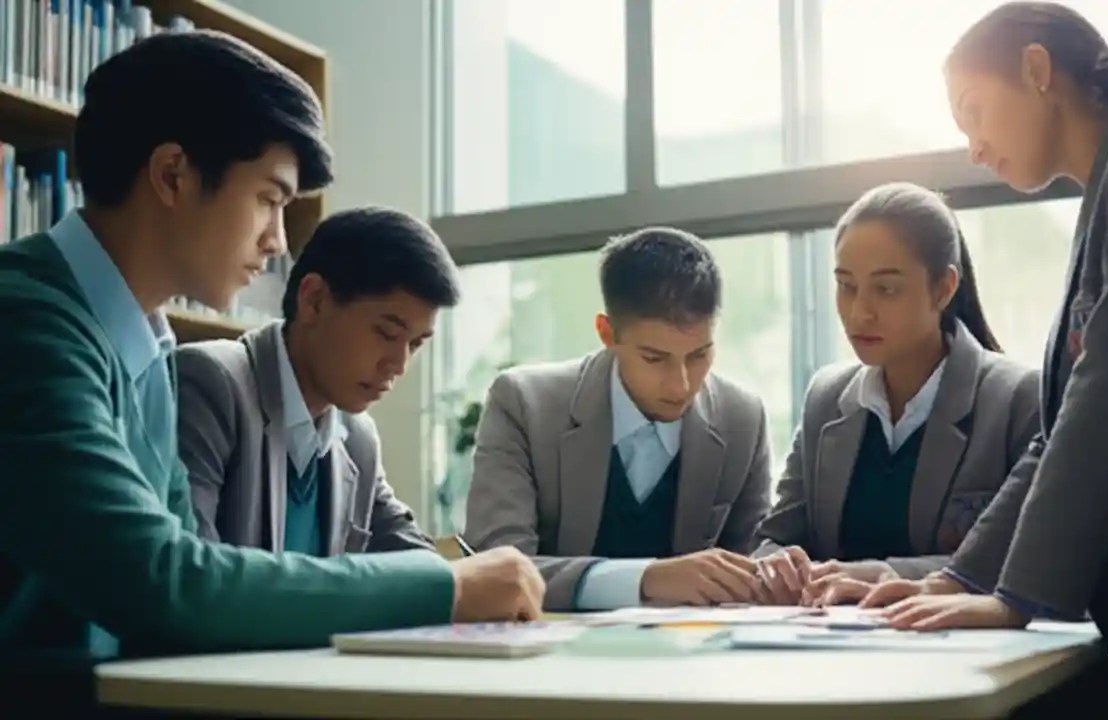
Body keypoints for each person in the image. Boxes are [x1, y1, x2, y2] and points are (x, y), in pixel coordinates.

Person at [0, 30, 541, 714]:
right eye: (269, 199)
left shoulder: (148, 346)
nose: (278, 241)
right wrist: (447, 589)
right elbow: (165, 583)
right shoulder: (26, 320)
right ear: (173, 175)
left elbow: (183, 579)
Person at [847, 2, 1108, 715]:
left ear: (1036, 69)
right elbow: (1061, 430)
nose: (975, 149)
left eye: (975, 113)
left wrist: (1018, 597)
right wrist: (961, 579)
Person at [752, 183, 1040, 606]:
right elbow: (773, 540)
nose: (859, 312)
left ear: (943, 288)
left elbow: (1025, 559)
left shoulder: (1017, 399)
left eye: (885, 289)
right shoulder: (826, 399)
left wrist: (883, 575)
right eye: (846, 286)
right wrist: (776, 565)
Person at [464, 227, 774, 611]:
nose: (681, 385)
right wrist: (646, 579)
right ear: (606, 333)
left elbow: (755, 564)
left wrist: (777, 571)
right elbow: (497, 571)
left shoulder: (742, 419)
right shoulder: (524, 405)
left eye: (699, 355)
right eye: (654, 358)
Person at [177, 207, 453, 557]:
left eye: (415, 344)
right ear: (314, 301)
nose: (398, 365)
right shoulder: (210, 384)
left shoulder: (356, 438)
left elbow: (412, 554)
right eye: (387, 333)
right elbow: (193, 572)